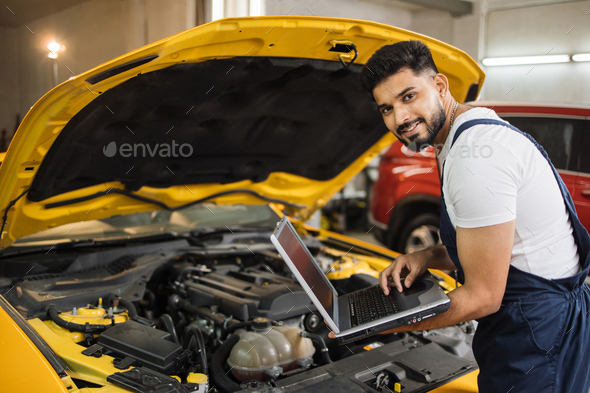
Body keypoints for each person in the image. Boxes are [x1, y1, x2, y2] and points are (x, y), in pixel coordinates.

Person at [358, 40, 590, 392]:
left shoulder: (474, 157)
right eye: (386, 108)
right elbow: (485, 246)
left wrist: (386, 324)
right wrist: (426, 256)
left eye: (408, 97)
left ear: (439, 86)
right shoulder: (461, 134)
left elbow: (483, 296)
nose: (399, 118)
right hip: (535, 321)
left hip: (539, 336)